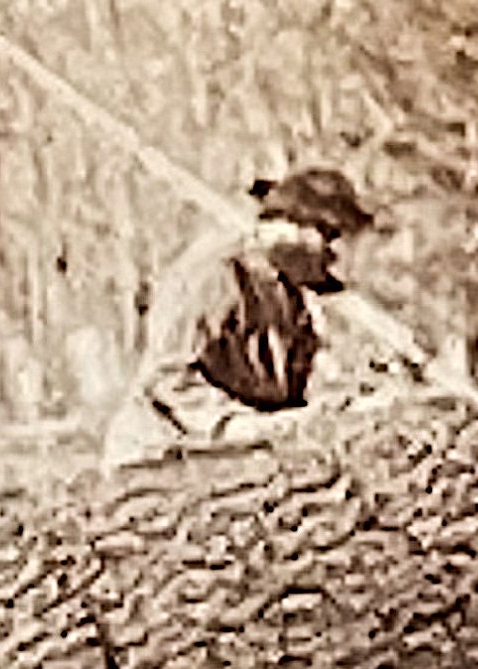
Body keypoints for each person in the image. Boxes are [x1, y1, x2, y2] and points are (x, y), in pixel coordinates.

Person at [99, 166, 377, 468]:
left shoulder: (292, 295)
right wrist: (244, 427)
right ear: (288, 228)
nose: (333, 254)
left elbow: (290, 385)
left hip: (241, 454)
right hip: (160, 453)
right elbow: (169, 382)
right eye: (328, 236)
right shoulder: (213, 276)